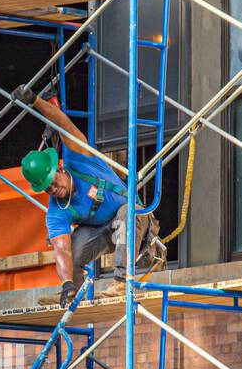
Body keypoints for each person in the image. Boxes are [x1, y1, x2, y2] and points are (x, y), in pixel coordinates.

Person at [17, 88, 166, 308]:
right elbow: (62, 249)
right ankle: (71, 295)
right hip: (104, 231)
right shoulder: (57, 211)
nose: (53, 189)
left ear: (58, 169)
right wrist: (66, 282)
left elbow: (62, 124)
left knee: (127, 212)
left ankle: (122, 282)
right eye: (47, 188)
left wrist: (35, 101)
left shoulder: (78, 159)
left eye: (53, 181)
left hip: (134, 219)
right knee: (73, 251)